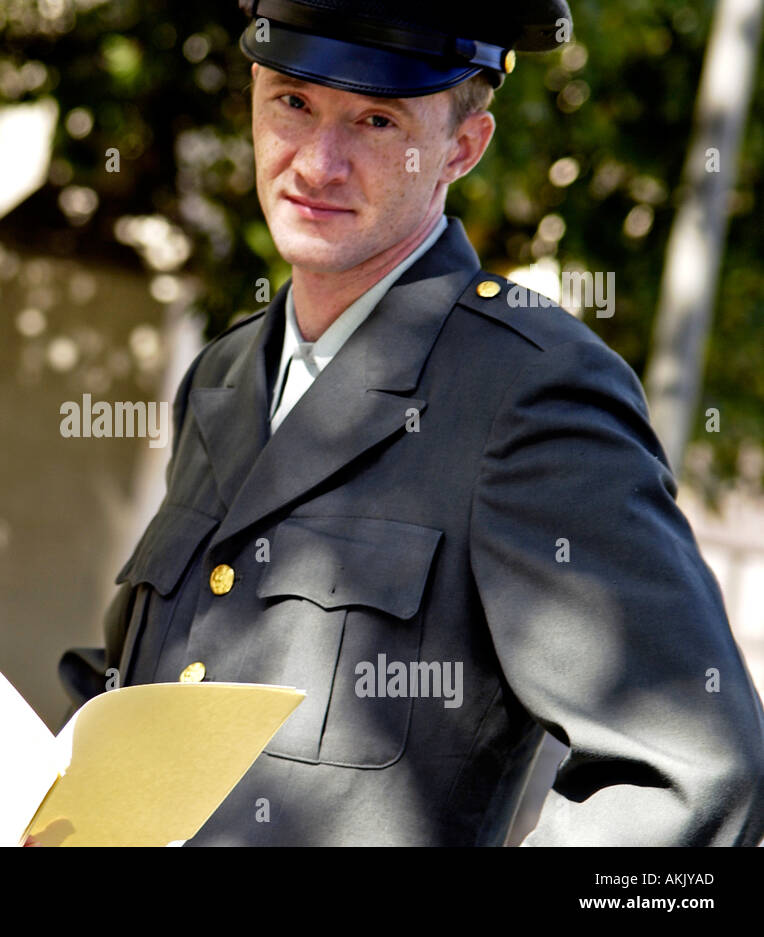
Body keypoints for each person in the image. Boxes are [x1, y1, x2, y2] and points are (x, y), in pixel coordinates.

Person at [62, 0, 764, 845]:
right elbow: (133, 697)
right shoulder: (221, 374)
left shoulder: (530, 389)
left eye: (376, 119)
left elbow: (687, 770)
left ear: (462, 149)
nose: (318, 163)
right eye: (293, 100)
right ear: (252, 93)